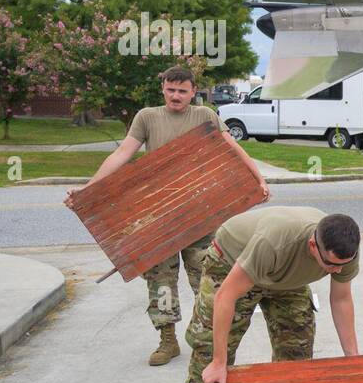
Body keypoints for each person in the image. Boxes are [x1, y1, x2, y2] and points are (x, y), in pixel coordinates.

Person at [65, 66, 269, 365]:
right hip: (157, 218)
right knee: (160, 281)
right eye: (171, 90)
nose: (176, 95)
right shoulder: (147, 117)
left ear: (192, 91)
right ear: (163, 89)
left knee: (206, 279)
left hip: (201, 215)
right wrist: (87, 191)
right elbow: (122, 154)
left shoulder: (205, 116)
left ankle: (206, 338)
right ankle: (167, 339)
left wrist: (259, 180)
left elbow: (232, 148)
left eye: (182, 90)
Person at [169, 207, 362, 383]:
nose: (336, 270)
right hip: (233, 262)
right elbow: (226, 296)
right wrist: (220, 361)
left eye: (341, 265)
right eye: (330, 265)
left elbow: (342, 299)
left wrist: (353, 360)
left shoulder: (345, 250)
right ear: (313, 246)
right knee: (209, 354)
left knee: (297, 353)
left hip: (286, 280)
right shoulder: (273, 243)